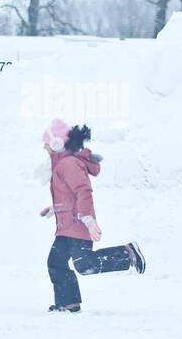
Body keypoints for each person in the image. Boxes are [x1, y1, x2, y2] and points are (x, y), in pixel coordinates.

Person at [41, 119, 145, 313]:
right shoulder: (63, 164)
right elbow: (70, 195)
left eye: (47, 142)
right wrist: (56, 208)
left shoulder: (68, 164)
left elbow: (83, 191)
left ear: (56, 143)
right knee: (56, 262)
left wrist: (88, 219)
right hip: (67, 226)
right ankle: (68, 303)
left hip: (77, 224)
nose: (44, 146)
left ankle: (127, 253)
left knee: (85, 265)